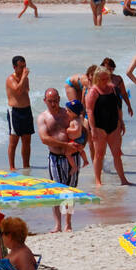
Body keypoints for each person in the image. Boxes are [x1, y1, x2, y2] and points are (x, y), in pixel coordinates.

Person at [36, 89, 83, 232]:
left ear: (59, 99)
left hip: (72, 157)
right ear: (45, 100)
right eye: (50, 101)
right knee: (55, 190)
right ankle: (58, 224)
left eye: (55, 100)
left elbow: (81, 126)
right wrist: (65, 145)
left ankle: (68, 223)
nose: (53, 104)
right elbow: (44, 138)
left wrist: (81, 144)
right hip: (55, 158)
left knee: (69, 191)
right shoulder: (43, 117)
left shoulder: (67, 113)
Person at [86, 68, 133, 186]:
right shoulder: (93, 91)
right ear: (97, 79)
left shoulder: (113, 88)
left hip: (114, 125)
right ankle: (98, 180)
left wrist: (121, 122)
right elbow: (90, 111)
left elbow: (118, 107)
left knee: (117, 154)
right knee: (99, 154)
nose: (104, 81)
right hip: (99, 127)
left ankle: (123, 179)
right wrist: (93, 129)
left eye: (106, 78)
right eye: (102, 79)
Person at [5, 55, 32, 170]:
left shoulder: (25, 78)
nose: (24, 69)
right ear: (14, 67)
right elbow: (18, 90)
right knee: (14, 140)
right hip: (15, 111)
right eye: (21, 67)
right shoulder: (10, 79)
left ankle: (26, 165)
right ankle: (12, 167)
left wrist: (24, 77)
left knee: (27, 140)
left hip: (26, 110)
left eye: (25, 66)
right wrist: (24, 76)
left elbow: (26, 91)